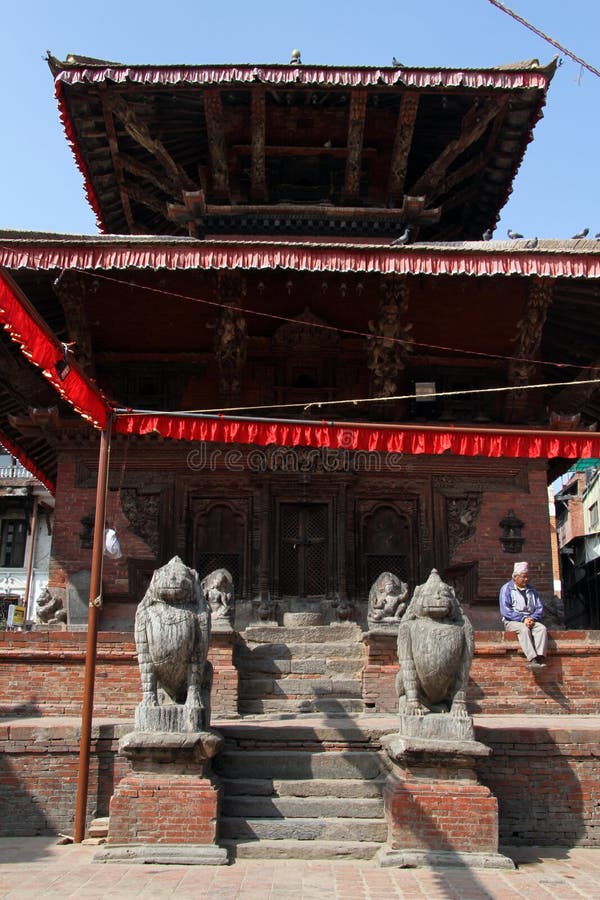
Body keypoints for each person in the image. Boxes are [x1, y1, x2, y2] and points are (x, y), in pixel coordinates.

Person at [499, 561, 548, 670]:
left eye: (527, 577)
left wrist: (532, 618)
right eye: (523, 577)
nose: (526, 579)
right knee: (524, 629)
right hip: (512, 621)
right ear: (515, 577)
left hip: (530, 619)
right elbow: (506, 611)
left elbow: (539, 608)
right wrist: (523, 619)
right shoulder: (506, 589)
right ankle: (532, 659)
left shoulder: (532, 590)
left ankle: (540, 657)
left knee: (541, 628)